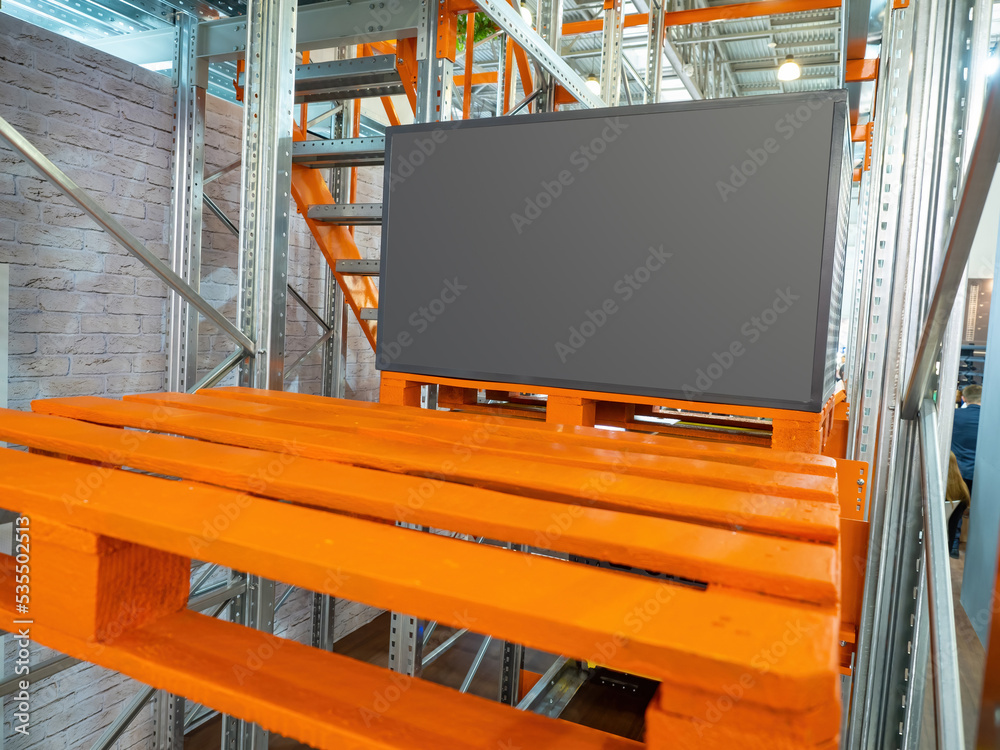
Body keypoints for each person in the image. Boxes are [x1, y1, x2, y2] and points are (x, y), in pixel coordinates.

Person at [949, 384, 982, 556]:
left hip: (958, 473)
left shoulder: (954, 416)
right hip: (981, 474)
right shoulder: (990, 419)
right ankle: (978, 553)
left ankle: (953, 546)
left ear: (963, 398)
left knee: (956, 510)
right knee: (981, 513)